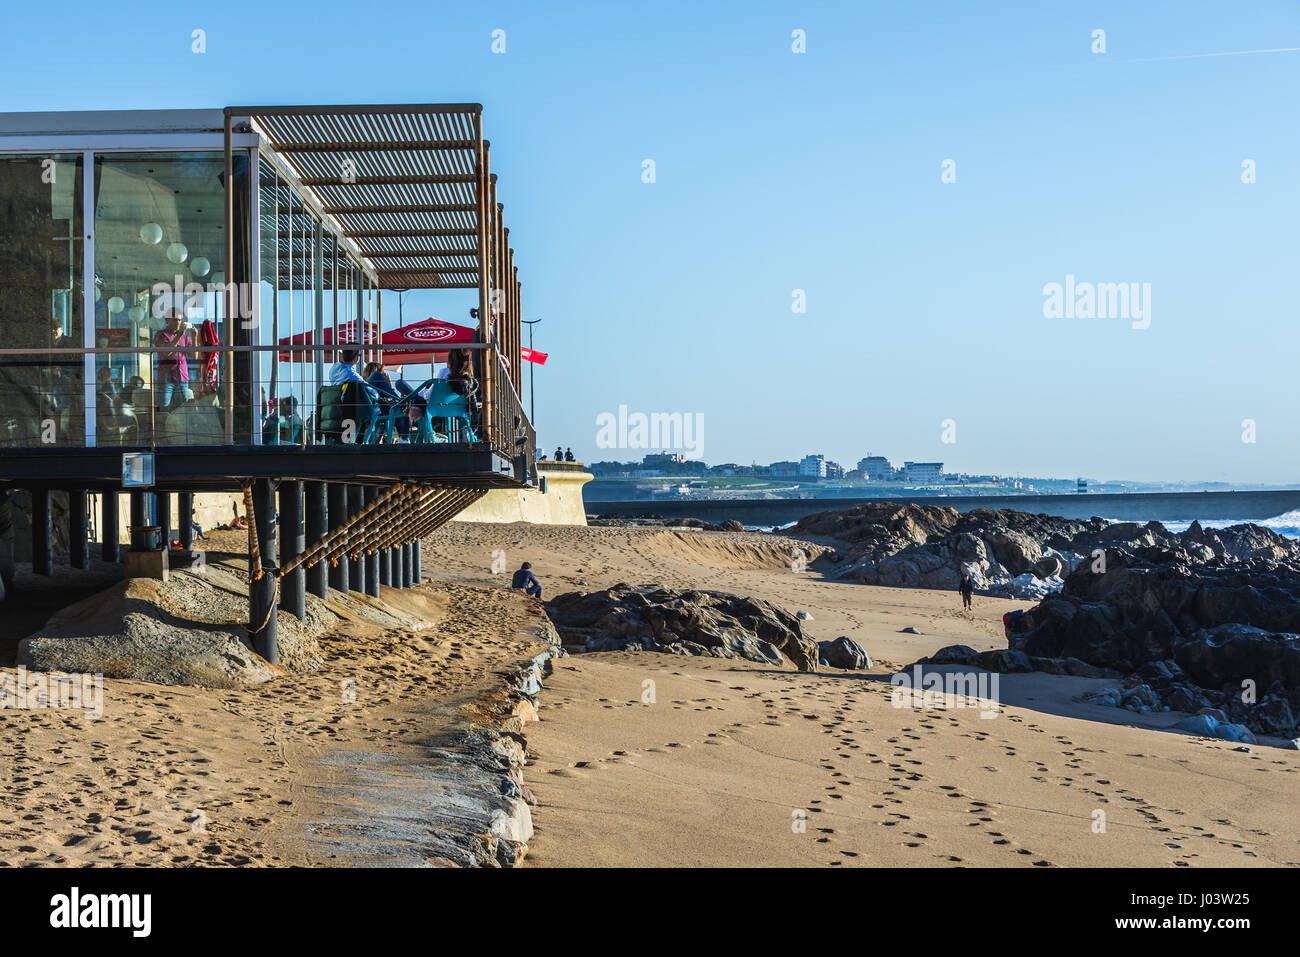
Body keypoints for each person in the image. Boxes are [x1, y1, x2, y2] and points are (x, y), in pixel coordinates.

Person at [154, 309, 196, 409]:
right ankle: (162, 424)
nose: (178, 322)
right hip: (166, 377)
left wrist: (194, 338)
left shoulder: (185, 337)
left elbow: (194, 356)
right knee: (163, 406)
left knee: (181, 409)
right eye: (175, 320)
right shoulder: (160, 335)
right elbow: (167, 352)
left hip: (182, 378)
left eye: (180, 320)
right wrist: (179, 336)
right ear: (167, 320)